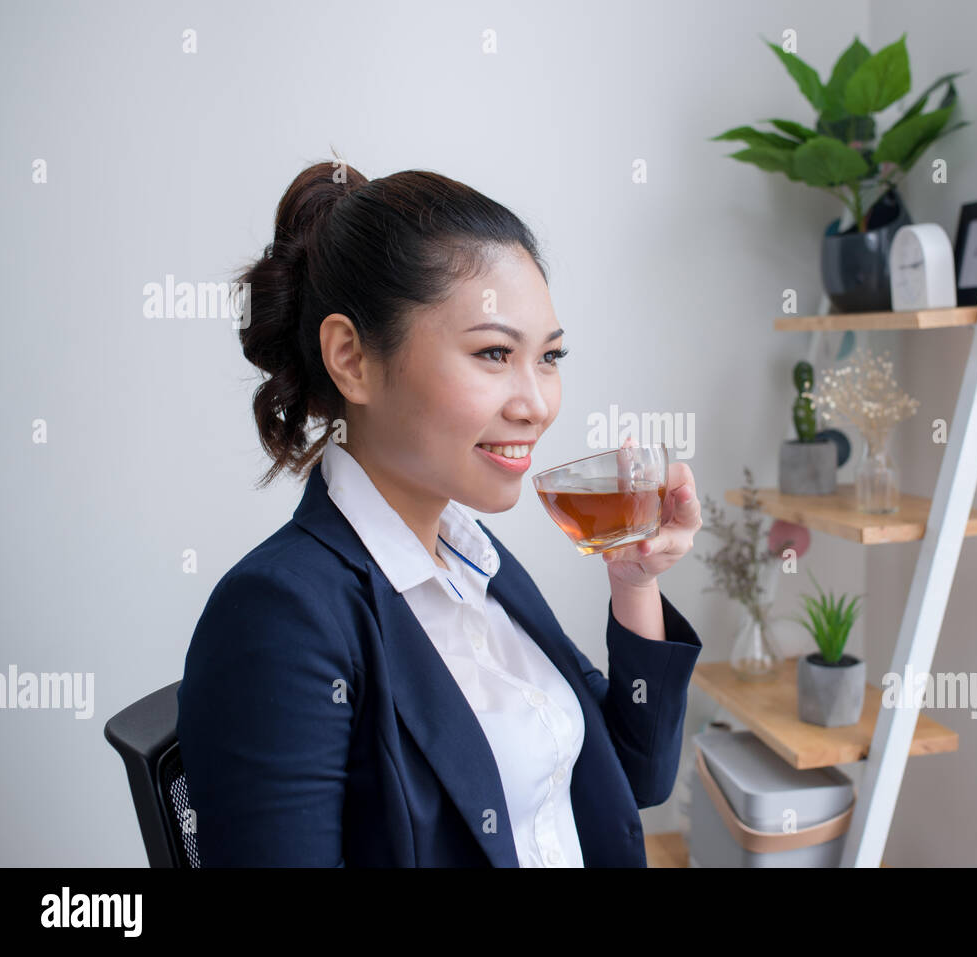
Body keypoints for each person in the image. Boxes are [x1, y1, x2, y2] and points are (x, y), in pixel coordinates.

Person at [176, 160, 704, 867]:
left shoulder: (472, 556)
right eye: (494, 352)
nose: (538, 402)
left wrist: (633, 580)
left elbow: (634, 777)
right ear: (352, 359)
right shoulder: (280, 614)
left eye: (549, 356)